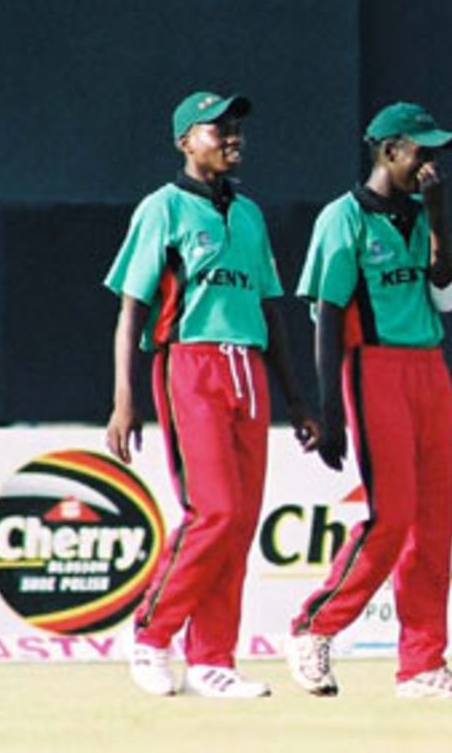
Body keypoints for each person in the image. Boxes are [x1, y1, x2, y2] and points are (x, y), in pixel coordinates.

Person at [105, 90, 320, 698]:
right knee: (215, 510)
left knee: (242, 521)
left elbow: (270, 308)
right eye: (216, 129)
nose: (232, 137)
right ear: (184, 142)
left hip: (247, 368)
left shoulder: (248, 214)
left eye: (236, 128)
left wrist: (298, 399)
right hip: (189, 363)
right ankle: (150, 634)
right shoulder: (163, 209)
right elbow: (132, 308)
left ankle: (211, 659)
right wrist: (125, 397)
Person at [284, 102, 452, 699]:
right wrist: (328, 412)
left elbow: (449, 299)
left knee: (435, 523)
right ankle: (314, 627)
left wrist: (441, 218)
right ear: (389, 150)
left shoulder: (427, 213)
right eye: (422, 151)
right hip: (372, 369)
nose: (430, 163)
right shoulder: (342, 219)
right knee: (392, 516)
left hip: (430, 368)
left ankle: (423, 665)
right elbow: (325, 317)